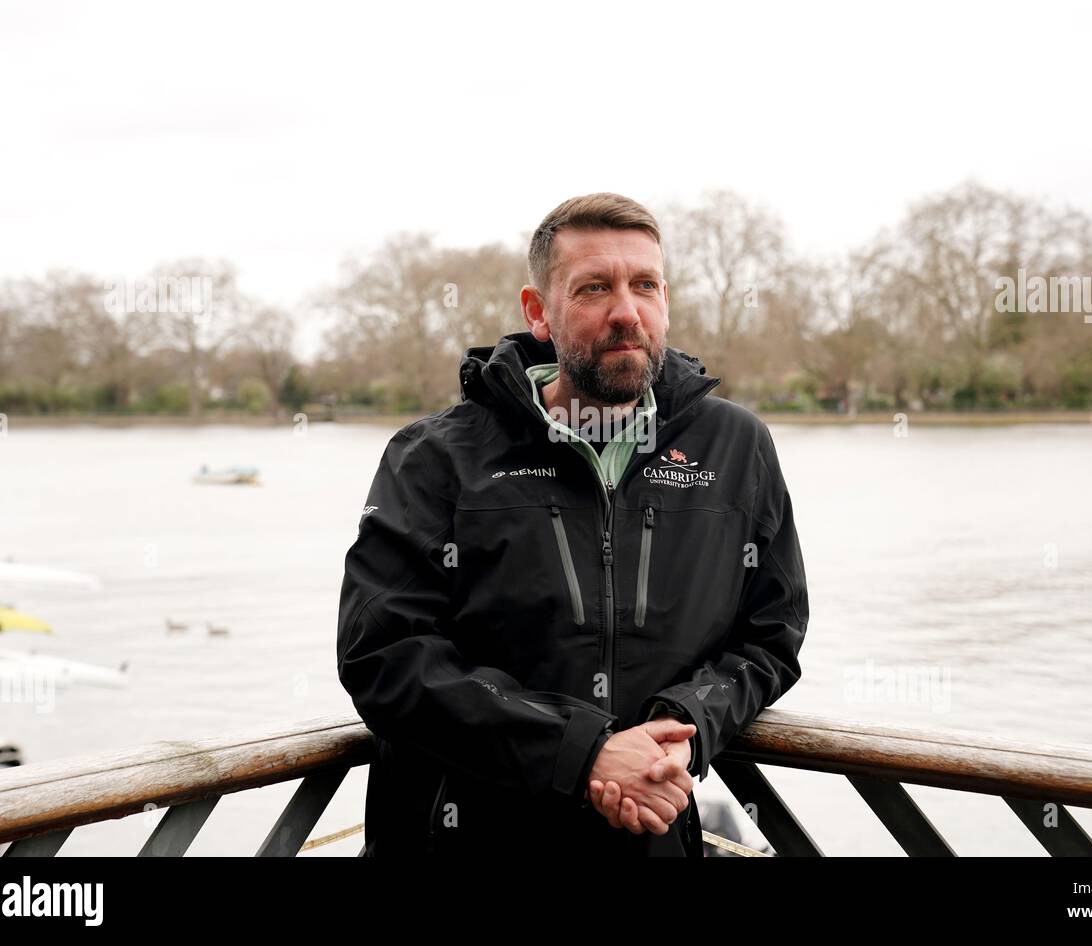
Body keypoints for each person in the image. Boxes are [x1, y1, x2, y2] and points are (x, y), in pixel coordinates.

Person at [336, 192, 808, 857]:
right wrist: (581, 754)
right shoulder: (437, 457)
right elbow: (384, 656)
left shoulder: (734, 447)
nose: (627, 311)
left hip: (650, 837)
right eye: (594, 289)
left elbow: (772, 636)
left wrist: (685, 721)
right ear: (539, 314)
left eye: (645, 285)